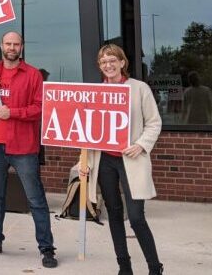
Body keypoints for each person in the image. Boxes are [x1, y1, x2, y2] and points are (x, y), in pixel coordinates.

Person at [0, 32, 57, 268]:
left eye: (16, 44)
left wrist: (14, 113)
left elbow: (40, 108)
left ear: (21, 47)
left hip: (23, 147)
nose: (12, 47)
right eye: (8, 43)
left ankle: (46, 248)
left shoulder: (32, 75)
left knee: (35, 199)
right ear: (1, 46)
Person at [80, 44, 163, 275]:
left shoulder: (139, 89)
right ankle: (124, 267)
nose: (108, 65)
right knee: (114, 214)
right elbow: (88, 130)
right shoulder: (96, 93)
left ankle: (155, 268)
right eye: (103, 62)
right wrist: (83, 162)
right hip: (105, 161)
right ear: (99, 66)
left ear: (122, 62)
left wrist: (141, 144)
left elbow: (154, 122)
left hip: (131, 160)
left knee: (136, 218)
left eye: (112, 60)